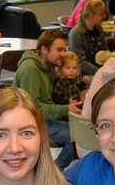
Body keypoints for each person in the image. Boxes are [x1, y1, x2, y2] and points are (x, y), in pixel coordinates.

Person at [14, 28, 78, 169]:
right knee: (78, 136)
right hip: (28, 122)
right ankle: (55, 173)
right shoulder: (30, 70)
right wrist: (66, 109)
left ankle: (53, 171)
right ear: (44, 49)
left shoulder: (49, 66)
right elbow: (33, 109)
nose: (63, 54)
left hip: (42, 119)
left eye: (64, 49)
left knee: (80, 128)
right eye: (59, 50)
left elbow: (51, 97)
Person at [69, 0, 109, 77]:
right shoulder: (77, 33)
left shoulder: (98, 29)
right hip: (85, 75)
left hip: (100, 72)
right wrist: (101, 72)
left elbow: (106, 53)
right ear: (92, 16)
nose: (104, 16)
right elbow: (81, 63)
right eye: (101, 14)